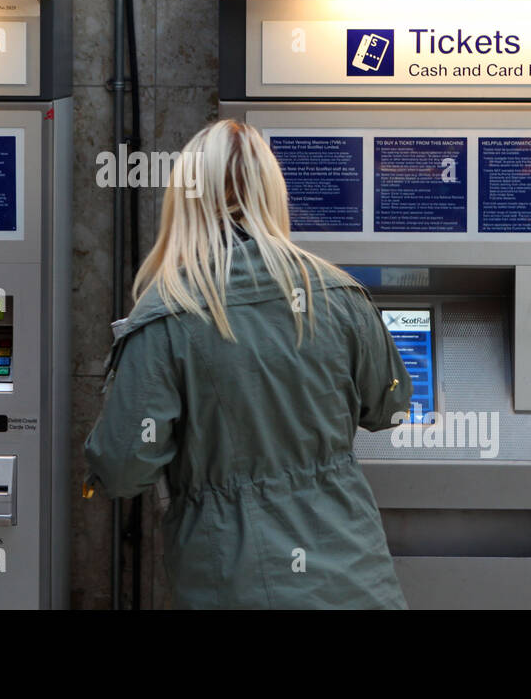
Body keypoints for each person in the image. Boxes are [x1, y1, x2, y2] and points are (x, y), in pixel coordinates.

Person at [83, 119, 413, 609]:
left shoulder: (165, 315)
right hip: (357, 581)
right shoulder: (340, 294)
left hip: (236, 583)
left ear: (185, 200)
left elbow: (122, 469)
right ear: (272, 194)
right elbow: (389, 408)